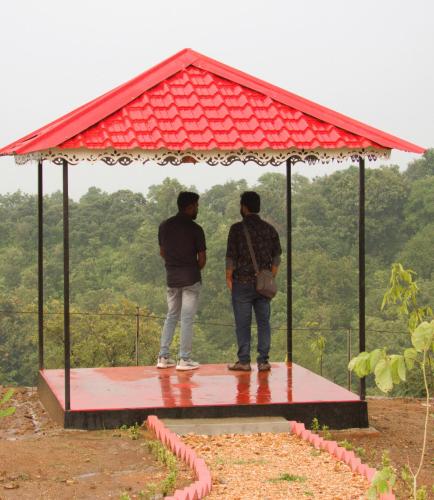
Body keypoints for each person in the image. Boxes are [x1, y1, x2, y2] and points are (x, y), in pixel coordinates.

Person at [226, 191, 281, 372]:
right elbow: (277, 258)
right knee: (264, 322)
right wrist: (270, 277)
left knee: (243, 323)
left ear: (244, 207)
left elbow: (230, 258)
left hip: (241, 283)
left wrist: (228, 278)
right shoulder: (270, 229)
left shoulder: (236, 229)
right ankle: (263, 361)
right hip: (263, 285)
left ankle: (243, 361)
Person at [157, 192, 206, 371]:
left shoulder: (164, 226)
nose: (197, 209)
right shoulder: (196, 229)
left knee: (171, 315)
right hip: (191, 278)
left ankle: (163, 357)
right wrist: (192, 269)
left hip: (172, 278)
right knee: (186, 319)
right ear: (190, 206)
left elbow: (162, 252)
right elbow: (202, 259)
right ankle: (184, 359)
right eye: (196, 206)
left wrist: (174, 265)